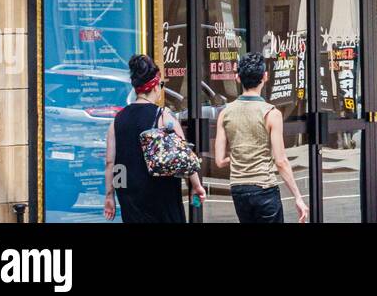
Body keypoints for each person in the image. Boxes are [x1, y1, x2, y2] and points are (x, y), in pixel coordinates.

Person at [103, 54, 205, 223]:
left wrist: (109, 196)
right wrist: (196, 185)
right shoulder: (163, 116)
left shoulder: (118, 119)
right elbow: (184, 156)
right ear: (156, 86)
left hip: (130, 194)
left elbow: (110, 162)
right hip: (161, 193)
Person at [214, 52, 309, 223]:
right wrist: (298, 197)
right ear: (265, 77)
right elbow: (280, 161)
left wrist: (239, 156)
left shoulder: (225, 112)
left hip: (238, 190)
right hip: (264, 188)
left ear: (237, 78)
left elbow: (220, 161)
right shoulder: (271, 113)